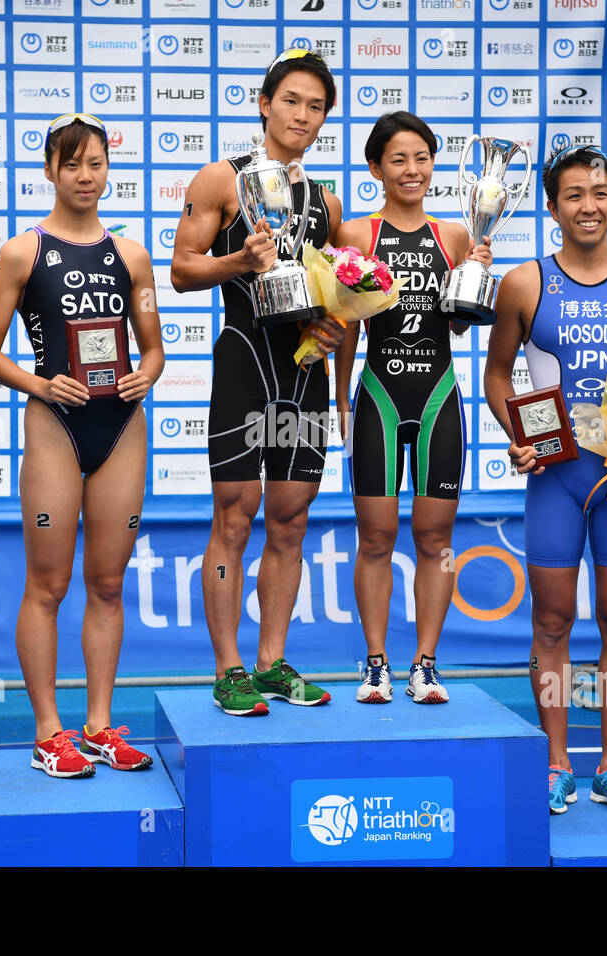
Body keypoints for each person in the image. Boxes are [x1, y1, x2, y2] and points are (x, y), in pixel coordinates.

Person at [484, 145, 607, 814]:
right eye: (574, 195)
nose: (588, 206)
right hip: (556, 479)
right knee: (552, 621)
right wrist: (518, 435)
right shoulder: (524, 282)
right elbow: (497, 374)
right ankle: (556, 763)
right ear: (552, 206)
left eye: (600, 193)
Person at [0, 113, 164, 777]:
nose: (86, 175)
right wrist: (42, 384)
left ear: (109, 169)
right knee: (48, 584)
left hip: (122, 425)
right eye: (73, 163)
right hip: (55, 423)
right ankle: (48, 732)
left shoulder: (132, 255)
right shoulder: (21, 252)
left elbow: (154, 348)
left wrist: (148, 373)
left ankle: (100, 724)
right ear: (50, 170)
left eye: (96, 163)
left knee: (108, 583)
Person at [171, 50, 348, 716]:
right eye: (291, 101)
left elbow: (332, 292)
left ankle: (272, 661)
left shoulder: (326, 202)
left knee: (291, 520)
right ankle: (229, 668)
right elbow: (182, 269)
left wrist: (334, 325)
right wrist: (239, 261)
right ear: (265, 104)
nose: (302, 115)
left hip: (304, 372)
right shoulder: (223, 177)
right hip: (244, 361)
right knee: (235, 514)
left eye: (315, 106)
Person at [331, 111, 491, 704]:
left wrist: (475, 280)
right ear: (376, 168)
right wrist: (340, 396)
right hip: (376, 394)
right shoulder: (354, 234)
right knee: (375, 536)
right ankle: (375, 665)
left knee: (435, 537)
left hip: (439, 395)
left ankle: (426, 664)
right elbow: (345, 323)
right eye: (398, 159)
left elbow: (458, 327)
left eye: (421, 158)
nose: (411, 169)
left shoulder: (455, 236)